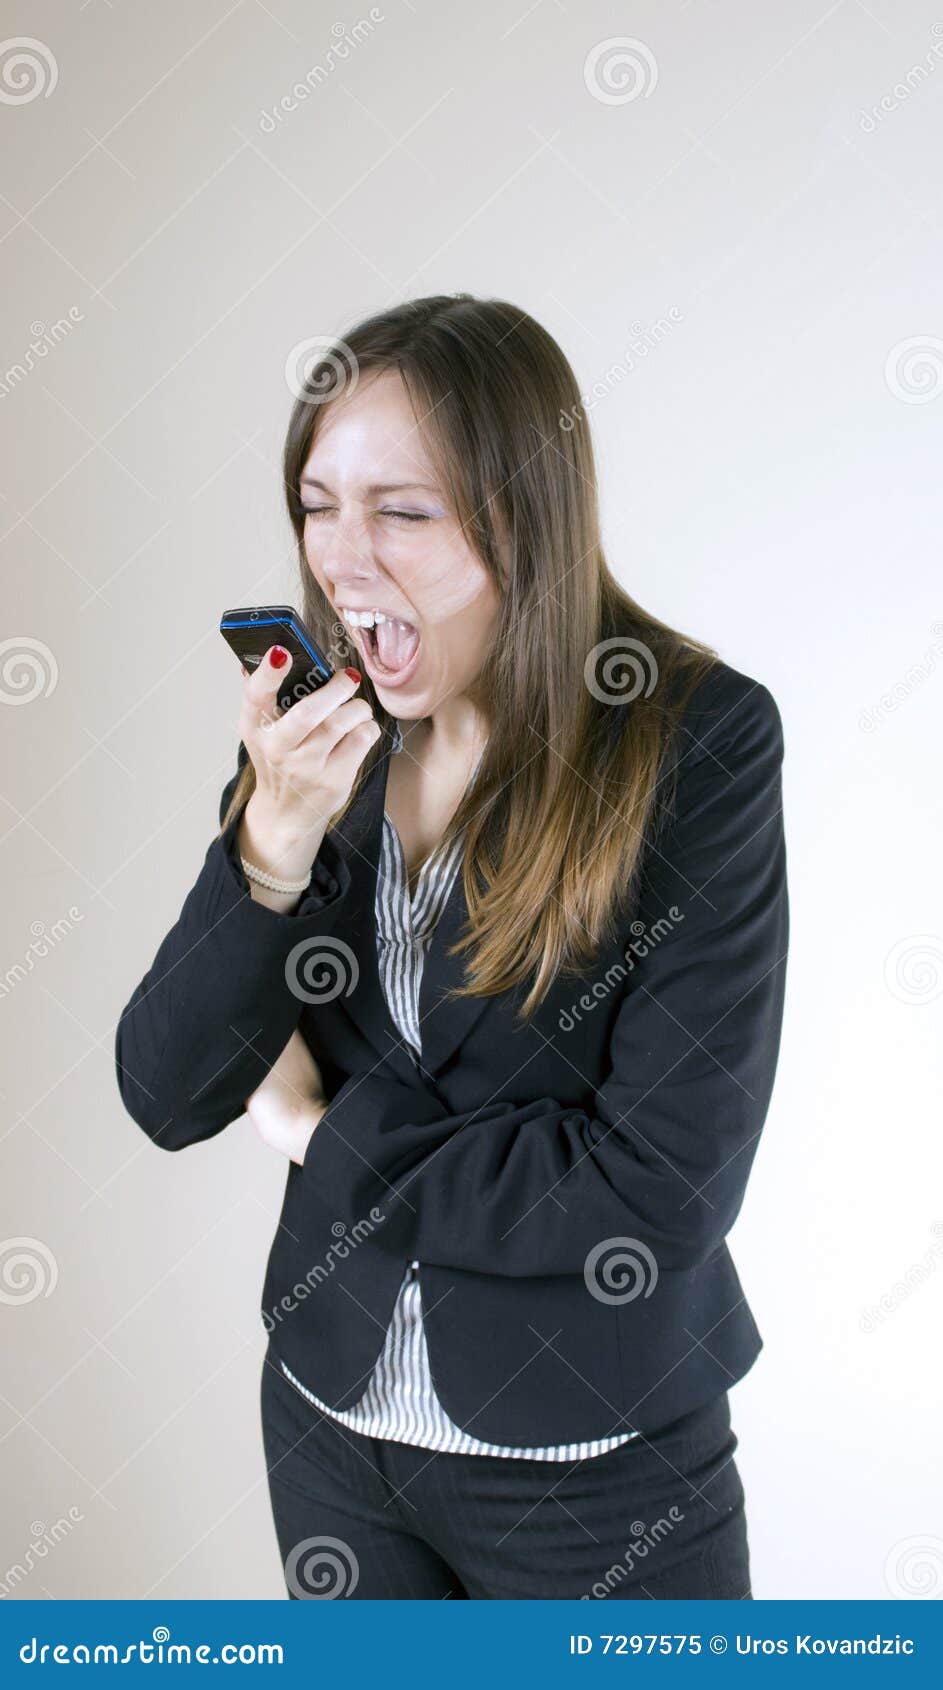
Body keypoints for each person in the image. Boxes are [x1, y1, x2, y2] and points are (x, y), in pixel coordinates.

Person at [115, 293, 789, 1600]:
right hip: (331, 1418)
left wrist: (322, 1131)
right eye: (320, 503)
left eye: (402, 510)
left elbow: (653, 1195)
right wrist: (272, 841)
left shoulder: (694, 742)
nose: (343, 561)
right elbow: (170, 1088)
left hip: (597, 1470)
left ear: (521, 516)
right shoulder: (326, 733)